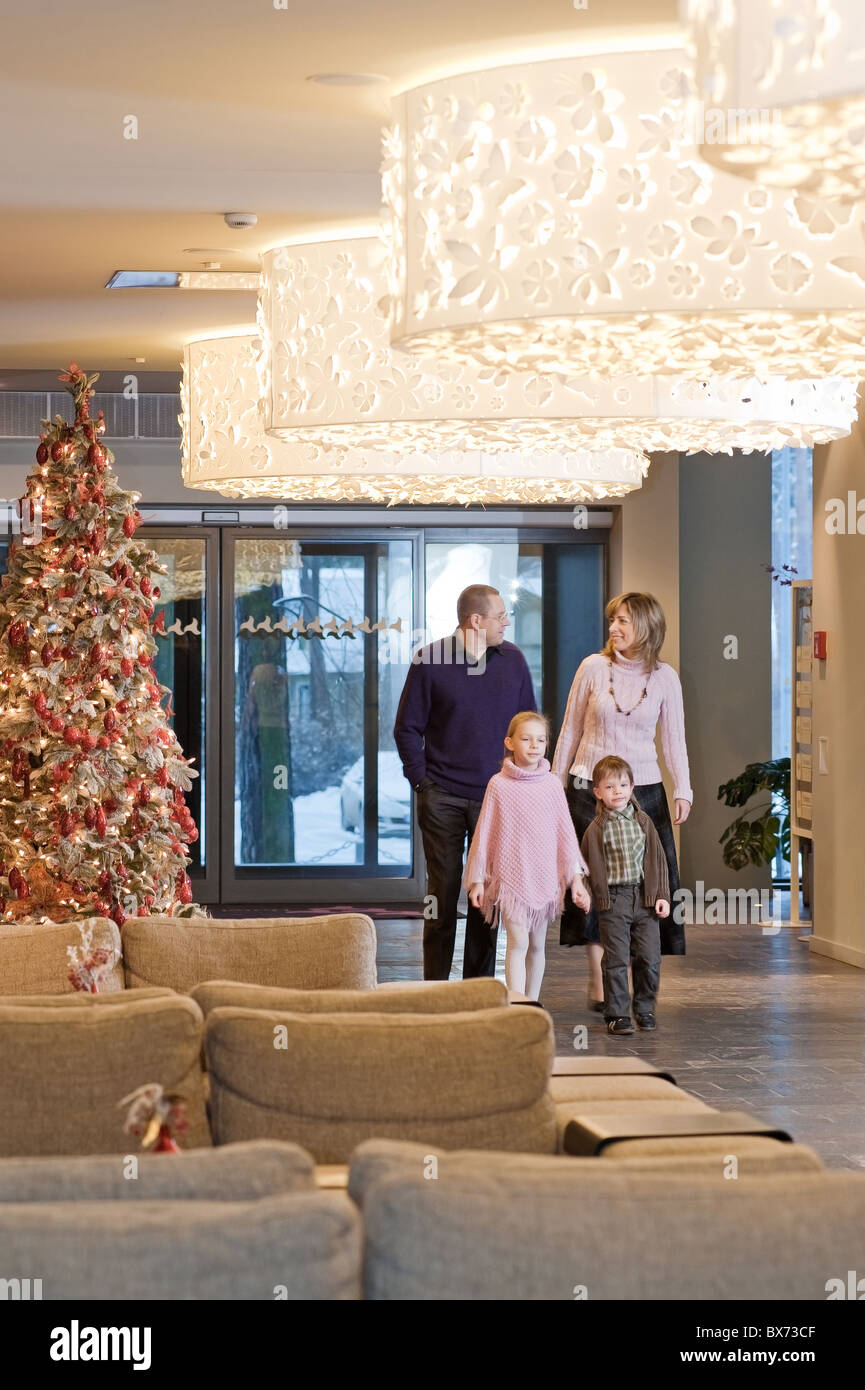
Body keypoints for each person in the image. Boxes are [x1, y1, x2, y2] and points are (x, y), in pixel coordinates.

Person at [551, 591, 692, 1011]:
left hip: (644, 791)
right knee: (596, 885)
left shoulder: (665, 677)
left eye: (624, 621)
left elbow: (674, 740)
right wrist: (553, 790)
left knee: (646, 885)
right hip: (585, 788)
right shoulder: (593, 668)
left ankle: (634, 976)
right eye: (612, 620)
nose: (614, 628)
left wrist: (682, 788)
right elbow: (569, 732)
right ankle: (600, 982)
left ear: (646, 627)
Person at [394, 585, 536, 979]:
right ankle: (435, 989)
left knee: (487, 898)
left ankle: (478, 988)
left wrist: (523, 784)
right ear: (476, 620)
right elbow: (407, 728)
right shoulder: (430, 660)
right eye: (501, 616)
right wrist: (422, 781)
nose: (507, 622)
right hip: (442, 797)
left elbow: (529, 728)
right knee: (442, 894)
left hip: (497, 798)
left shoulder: (514, 661)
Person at [464, 712, 591, 1001]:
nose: (534, 745)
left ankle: (532, 1002)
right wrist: (478, 881)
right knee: (518, 941)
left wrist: (577, 882)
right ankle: (517, 1000)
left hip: (544, 878)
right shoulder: (498, 785)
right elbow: (484, 834)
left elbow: (566, 837)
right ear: (509, 742)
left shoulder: (551, 785)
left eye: (541, 739)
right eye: (526, 738)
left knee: (536, 945)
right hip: (511, 880)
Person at [581, 755, 670, 1034]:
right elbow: (583, 866)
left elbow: (658, 859)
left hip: (645, 899)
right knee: (616, 958)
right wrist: (584, 893)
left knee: (649, 957)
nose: (617, 791)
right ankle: (617, 1014)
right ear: (598, 792)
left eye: (622, 785)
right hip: (614, 902)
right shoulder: (595, 830)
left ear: (632, 787)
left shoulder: (643, 822)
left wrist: (662, 895)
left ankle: (645, 1007)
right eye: (609, 787)